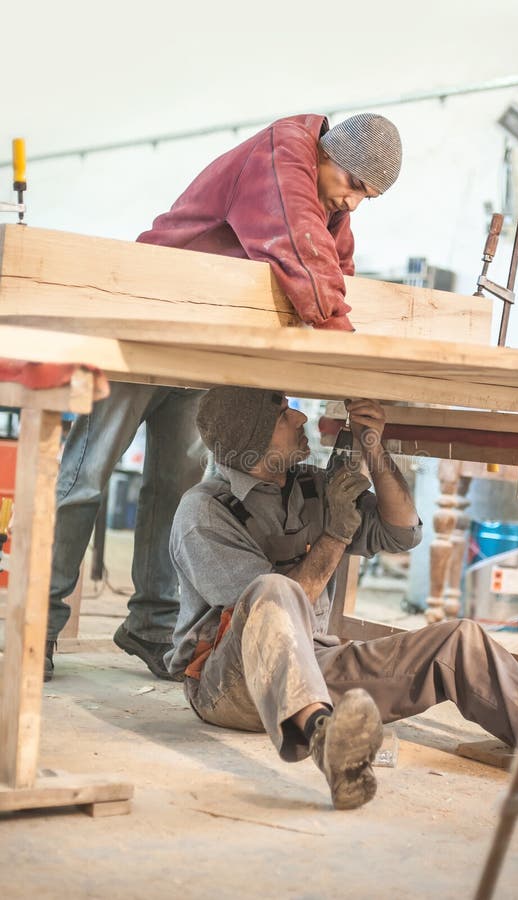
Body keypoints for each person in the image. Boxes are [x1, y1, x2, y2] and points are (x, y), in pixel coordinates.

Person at [44, 112, 403, 681]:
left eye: (368, 198)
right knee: (87, 475)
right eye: (355, 187)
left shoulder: (328, 201)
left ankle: (153, 626)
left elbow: (339, 271)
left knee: (173, 485)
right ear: (329, 155)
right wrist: (348, 361)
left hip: (201, 344)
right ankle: (36, 627)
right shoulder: (283, 159)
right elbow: (307, 261)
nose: (355, 204)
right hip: (144, 322)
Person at [166, 386, 518, 811]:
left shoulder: (305, 484)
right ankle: (326, 739)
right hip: (232, 684)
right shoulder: (204, 512)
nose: (300, 416)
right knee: (273, 588)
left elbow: (403, 533)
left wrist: (372, 447)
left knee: (456, 641)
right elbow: (283, 607)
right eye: (284, 414)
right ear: (255, 439)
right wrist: (336, 534)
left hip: (317, 666)